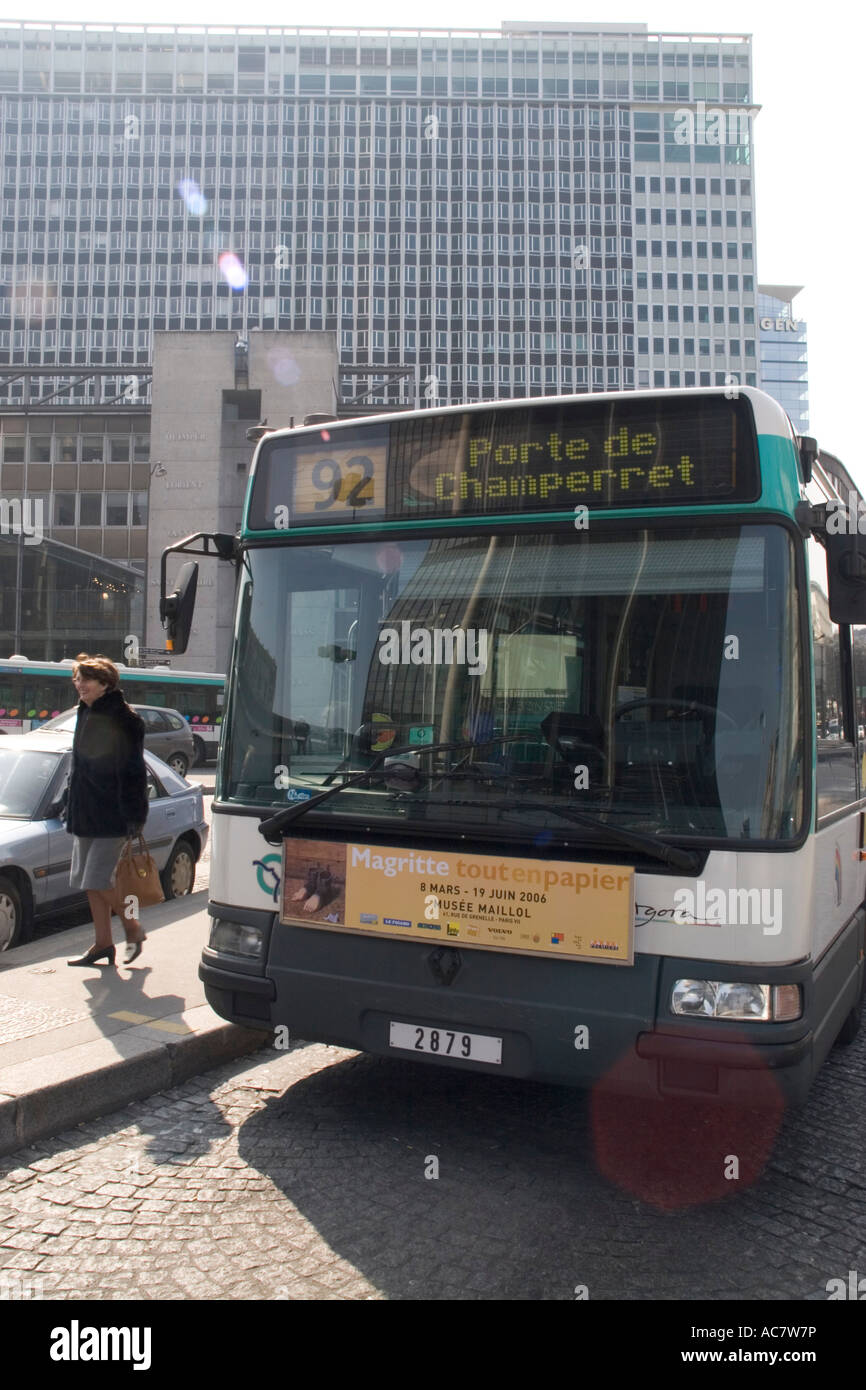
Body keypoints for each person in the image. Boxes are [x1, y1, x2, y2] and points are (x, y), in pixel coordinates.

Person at [62, 654, 149, 968]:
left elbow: (134, 772)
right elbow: (79, 766)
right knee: (88, 881)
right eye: (76, 679)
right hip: (85, 810)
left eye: (85, 680)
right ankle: (102, 945)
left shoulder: (125, 719)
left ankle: (133, 927)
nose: (79, 685)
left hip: (113, 812)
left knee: (99, 879)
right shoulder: (85, 712)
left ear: (105, 683)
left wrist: (135, 816)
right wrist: (67, 800)